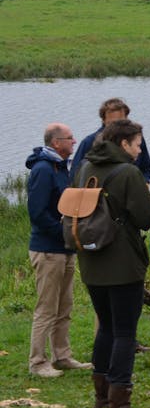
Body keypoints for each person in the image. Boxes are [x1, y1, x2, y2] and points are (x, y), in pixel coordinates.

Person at [74, 118, 150, 408]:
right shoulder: (128, 173)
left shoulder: (84, 168)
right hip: (122, 263)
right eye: (136, 144)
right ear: (123, 144)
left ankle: (102, 399)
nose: (139, 150)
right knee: (124, 332)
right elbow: (146, 218)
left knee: (106, 328)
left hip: (91, 260)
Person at [25, 123, 91, 379]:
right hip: (47, 249)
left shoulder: (61, 167)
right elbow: (37, 213)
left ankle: (61, 356)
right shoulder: (43, 169)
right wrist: (65, 233)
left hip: (65, 248)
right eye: (69, 138)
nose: (75, 141)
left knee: (65, 305)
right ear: (55, 142)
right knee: (47, 307)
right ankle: (37, 361)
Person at [72, 97, 150, 184]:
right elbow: (75, 174)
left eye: (120, 122)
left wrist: (144, 184)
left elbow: (146, 168)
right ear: (103, 120)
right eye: (112, 124)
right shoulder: (89, 142)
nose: (117, 128)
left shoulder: (136, 139)